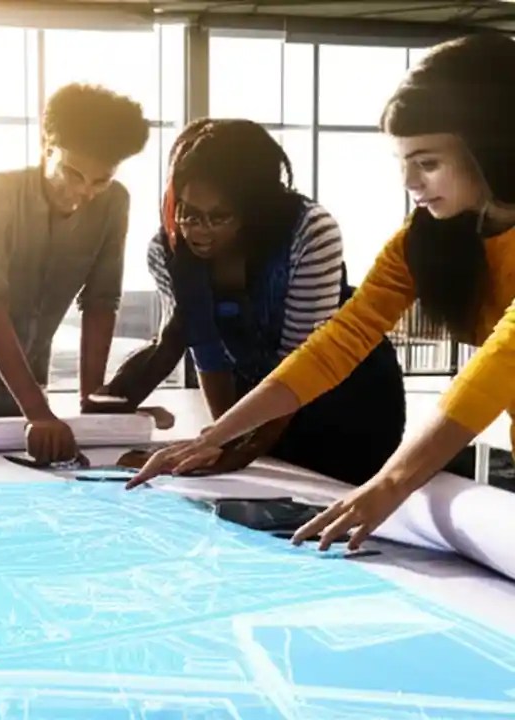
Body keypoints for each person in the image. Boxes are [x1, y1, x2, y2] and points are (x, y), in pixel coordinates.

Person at [129, 33, 515, 552]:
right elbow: (337, 342)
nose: (409, 182)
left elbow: (496, 368)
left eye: (427, 163)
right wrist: (211, 437)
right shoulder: (427, 239)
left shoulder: (317, 230)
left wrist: (392, 484)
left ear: (493, 144)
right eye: (403, 162)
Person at [89, 119, 404, 484]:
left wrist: (236, 450)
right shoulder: (167, 251)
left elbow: (303, 362)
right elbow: (208, 352)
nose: (196, 230)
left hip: (345, 398)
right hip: (258, 401)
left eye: (217, 217)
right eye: (187, 212)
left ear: (253, 210)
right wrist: (218, 445)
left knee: (327, 496)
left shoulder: (310, 231)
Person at [0, 83, 149, 465]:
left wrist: (91, 399)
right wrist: (38, 412)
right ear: (47, 145)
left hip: (29, 403)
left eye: (100, 180)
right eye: (73, 173)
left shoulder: (115, 203)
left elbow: (101, 301)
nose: (85, 191)